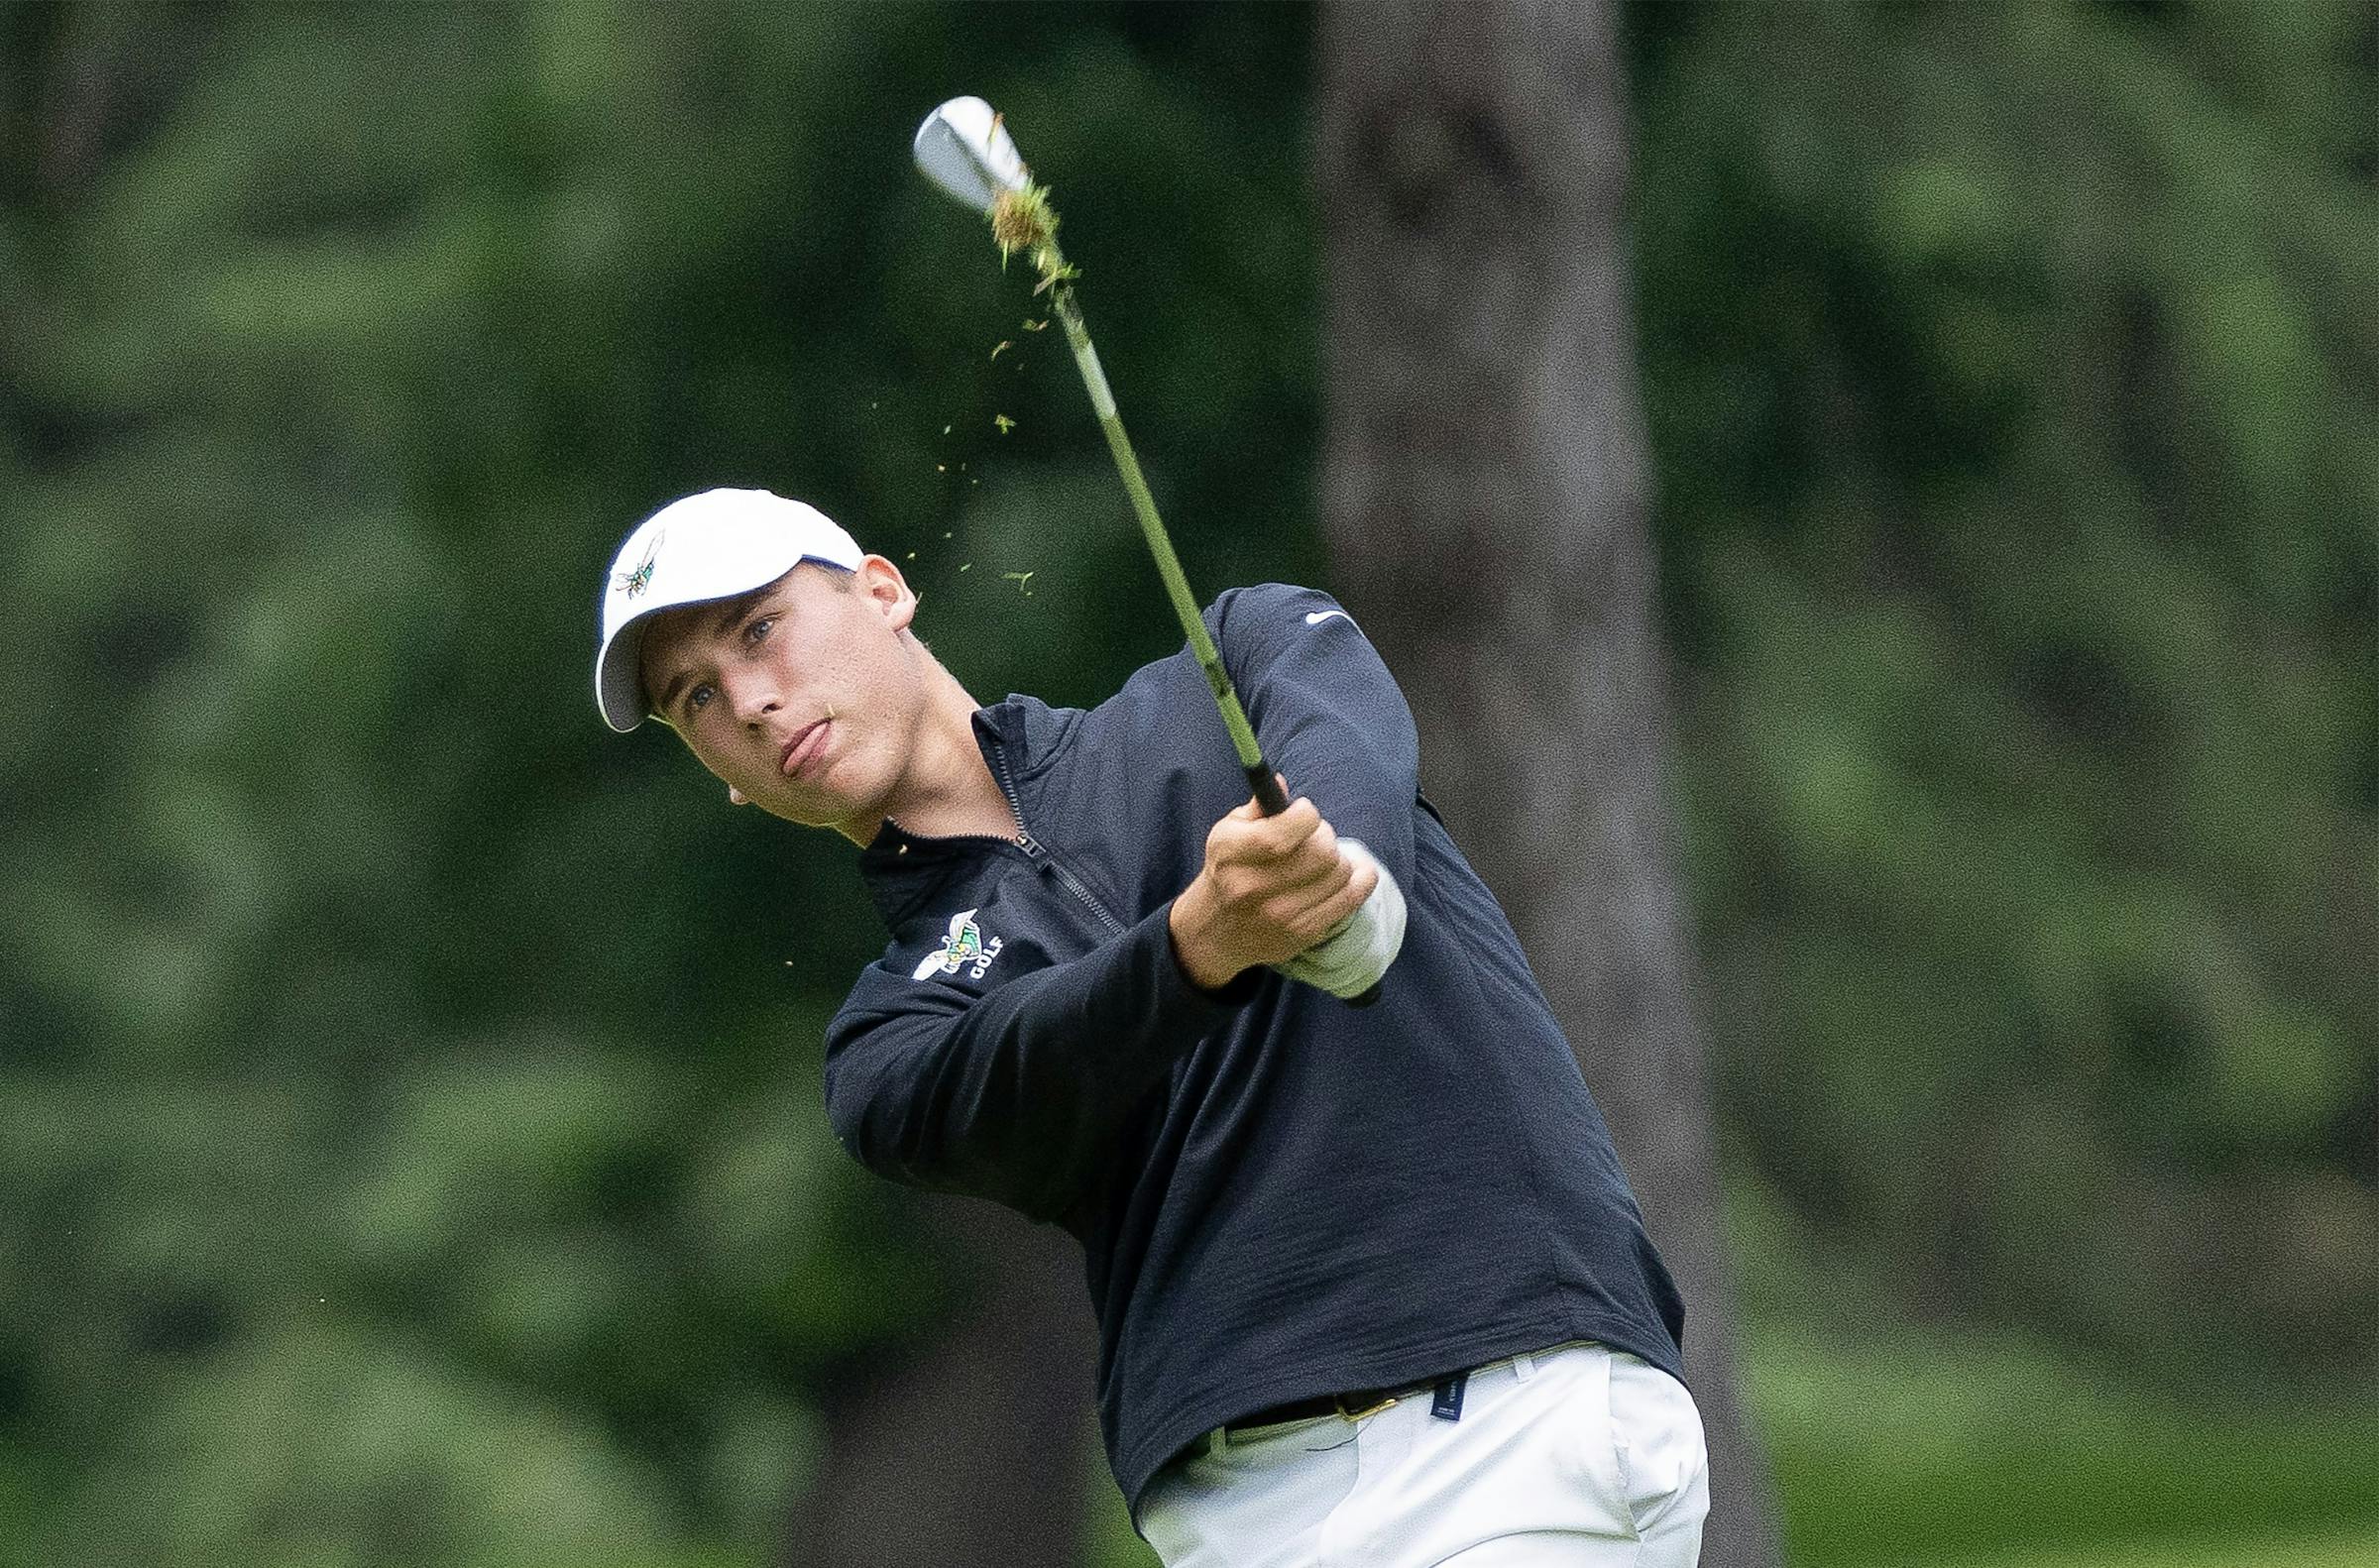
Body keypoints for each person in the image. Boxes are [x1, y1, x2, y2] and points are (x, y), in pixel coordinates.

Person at [595, 486, 1711, 1566]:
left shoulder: (1241, 656)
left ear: (884, 591)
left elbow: (1345, 770)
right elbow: (1027, 1062)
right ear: (721, 777)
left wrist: (1340, 892)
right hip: (1243, 1516)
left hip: (1517, 1421)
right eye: (695, 697)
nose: (749, 699)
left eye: (760, 628)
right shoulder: (888, 1037)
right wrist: (1198, 944)